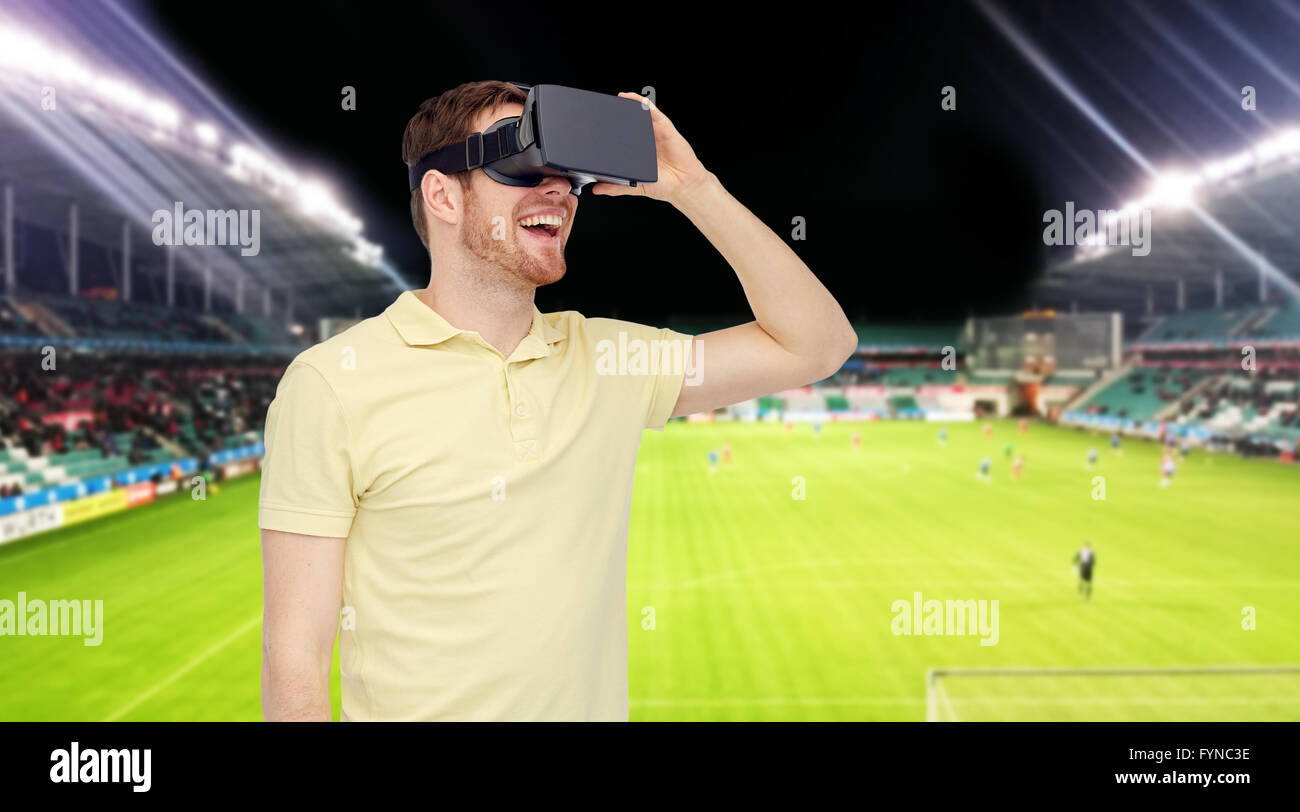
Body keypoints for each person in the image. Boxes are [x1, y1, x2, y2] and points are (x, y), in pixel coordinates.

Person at [258, 81, 858, 722]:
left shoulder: (609, 362)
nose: (557, 192)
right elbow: (295, 654)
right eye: (522, 166)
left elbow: (818, 345)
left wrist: (695, 188)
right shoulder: (332, 383)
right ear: (441, 195)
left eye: (568, 178)